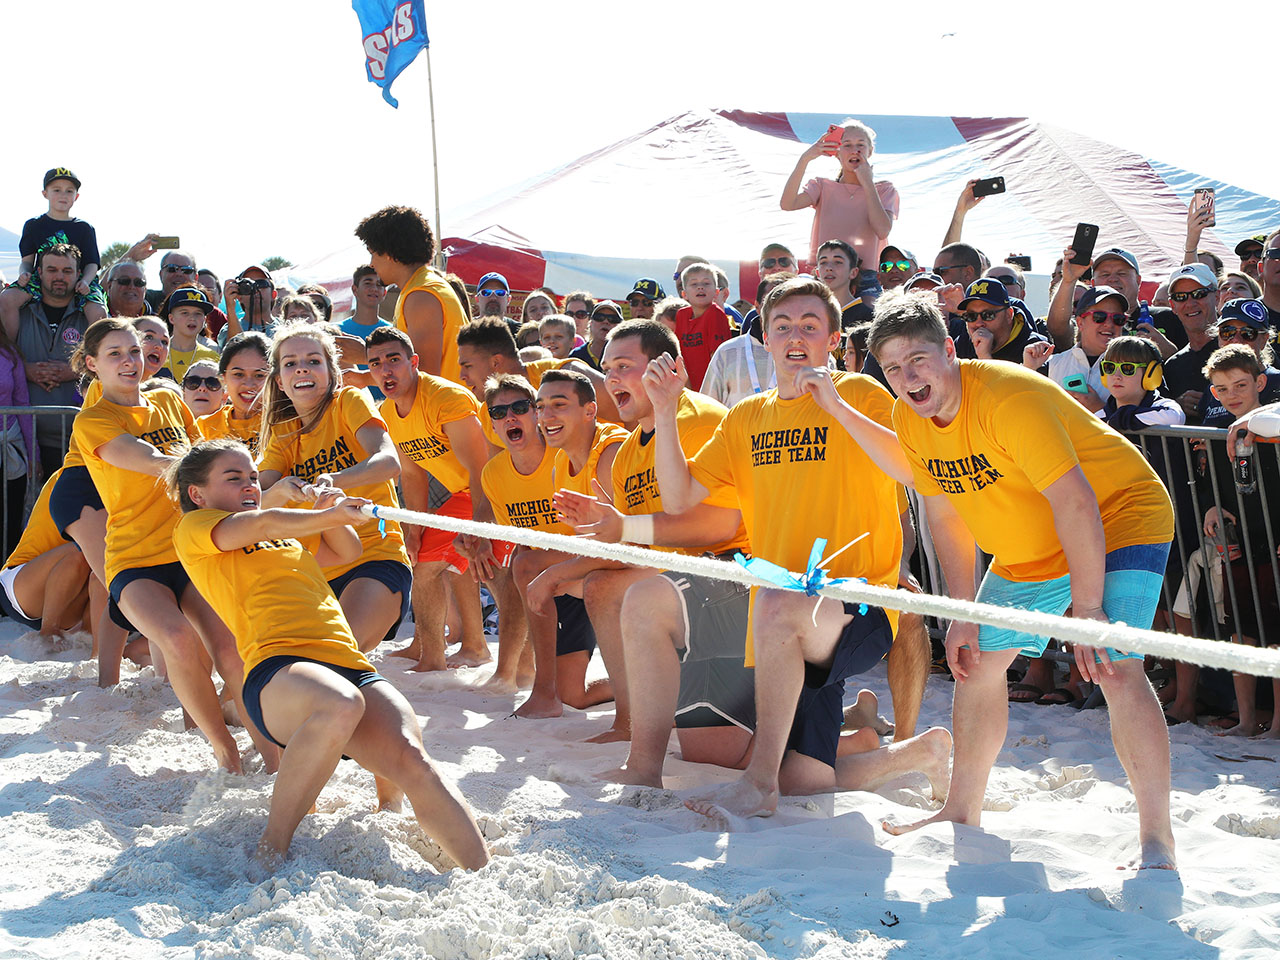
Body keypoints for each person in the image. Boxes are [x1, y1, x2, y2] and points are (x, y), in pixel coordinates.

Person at [854, 293, 1175, 870]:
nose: (908, 377)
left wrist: (1089, 608)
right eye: (894, 368)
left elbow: (1075, 500)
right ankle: (960, 809)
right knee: (973, 659)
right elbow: (947, 514)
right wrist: (962, 615)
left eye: (919, 359)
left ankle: (1158, 841)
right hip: (1031, 546)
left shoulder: (1009, 395)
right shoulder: (909, 416)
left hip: (1118, 513)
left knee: (1116, 665)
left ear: (950, 350)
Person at [641, 277, 907, 820]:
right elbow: (678, 495)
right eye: (782, 325)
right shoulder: (746, 417)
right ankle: (920, 752)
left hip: (858, 604)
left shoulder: (858, 393)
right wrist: (666, 412)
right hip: (782, 619)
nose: (795, 336)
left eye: (811, 326)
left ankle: (757, 784)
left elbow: (909, 466)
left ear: (833, 338)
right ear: (764, 337)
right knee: (808, 783)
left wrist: (833, 405)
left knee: (778, 602)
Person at [169, 439, 488, 872]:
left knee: (413, 758)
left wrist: (331, 503)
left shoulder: (281, 535)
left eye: (250, 477)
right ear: (197, 494)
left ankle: (481, 871)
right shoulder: (198, 527)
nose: (249, 485)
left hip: (347, 663)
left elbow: (347, 551)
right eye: (234, 478)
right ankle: (272, 845)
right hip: (278, 670)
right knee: (341, 703)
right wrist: (326, 514)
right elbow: (262, 524)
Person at [69, 318, 275, 773]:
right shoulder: (93, 420)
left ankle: (273, 755)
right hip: (135, 557)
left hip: (191, 546)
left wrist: (252, 477)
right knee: (179, 640)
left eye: (134, 351)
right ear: (92, 364)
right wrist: (233, 474)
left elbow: (201, 451)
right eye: (115, 354)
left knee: (229, 649)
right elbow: (150, 460)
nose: (129, 362)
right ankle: (226, 752)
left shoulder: (165, 397)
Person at [258, 323, 412, 654]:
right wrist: (283, 489)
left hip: (375, 556)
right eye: (290, 363)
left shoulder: (348, 401)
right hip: (311, 569)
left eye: (314, 361)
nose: (302, 367)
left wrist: (334, 479)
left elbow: (388, 463)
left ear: (332, 373)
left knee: (339, 654)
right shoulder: (282, 432)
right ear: (280, 382)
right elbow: (256, 501)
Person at [365, 326, 494, 672]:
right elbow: (412, 475)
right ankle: (472, 646)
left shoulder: (445, 398)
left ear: (414, 362)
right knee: (442, 559)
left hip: (489, 488)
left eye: (394, 359)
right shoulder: (389, 413)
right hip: (465, 492)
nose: (386, 370)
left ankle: (433, 656)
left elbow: (481, 467)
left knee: (424, 570)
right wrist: (414, 528)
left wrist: (480, 525)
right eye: (376, 363)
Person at [507, 370, 628, 719]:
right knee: (574, 694)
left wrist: (553, 574)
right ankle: (648, 681)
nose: (546, 416)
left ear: (590, 411)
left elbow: (629, 546)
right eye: (541, 407)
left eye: (559, 405)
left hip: (651, 565)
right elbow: (589, 537)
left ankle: (546, 693)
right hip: (604, 560)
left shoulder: (611, 452)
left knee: (532, 567)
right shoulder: (562, 459)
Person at [1196, 346, 1280, 737]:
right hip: (1238, 544)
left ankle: (1278, 722)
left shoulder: (1273, 422)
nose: (1231, 394)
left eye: (1241, 385)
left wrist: (1254, 417)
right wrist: (1212, 506)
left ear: (1260, 382)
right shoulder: (1217, 432)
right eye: (1222, 389)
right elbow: (1213, 484)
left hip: (1274, 541)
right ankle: (1246, 719)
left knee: (1276, 634)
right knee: (1242, 632)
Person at [779, 119, 899, 297]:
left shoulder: (884, 189)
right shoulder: (822, 186)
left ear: (870, 151)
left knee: (866, 320)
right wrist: (805, 159)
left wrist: (866, 182)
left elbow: (882, 230)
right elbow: (787, 204)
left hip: (865, 276)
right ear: (837, 152)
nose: (854, 150)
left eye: (861, 145)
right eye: (847, 145)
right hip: (827, 274)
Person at [355, 205, 467, 383]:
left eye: (373, 254)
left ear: (389, 253)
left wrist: (363, 357)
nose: (372, 264)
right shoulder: (419, 288)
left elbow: (424, 376)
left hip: (447, 410)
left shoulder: (421, 295)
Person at [12, 243, 91, 476]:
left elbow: (109, 366)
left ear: (78, 274)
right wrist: (24, 370)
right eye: (52, 269)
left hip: (75, 444)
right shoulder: (17, 312)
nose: (59, 277)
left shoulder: (90, 315)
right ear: (39, 273)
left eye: (67, 271)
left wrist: (74, 371)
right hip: (23, 442)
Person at [0, 168, 106, 338]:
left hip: (79, 280)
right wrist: (24, 274)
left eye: (69, 191)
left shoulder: (84, 228)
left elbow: (92, 263)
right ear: (45, 193)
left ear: (76, 196)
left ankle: (96, 359)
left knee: (98, 310)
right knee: (6, 298)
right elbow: (27, 261)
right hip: (41, 278)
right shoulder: (33, 225)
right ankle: (10, 352)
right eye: (57, 190)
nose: (63, 195)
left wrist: (85, 282)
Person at [0, 467, 90, 638]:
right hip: (22, 587)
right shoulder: (72, 476)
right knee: (85, 551)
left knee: (106, 567)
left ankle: (90, 643)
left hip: (70, 601)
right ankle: (48, 633)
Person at [1049, 247, 1183, 359]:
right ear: (1093, 284)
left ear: (1138, 280)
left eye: (1122, 273)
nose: (1113, 279)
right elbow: (1058, 329)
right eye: (1105, 274)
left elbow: (1192, 361)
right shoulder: (1087, 320)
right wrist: (1068, 281)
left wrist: (1169, 353)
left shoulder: (1167, 317)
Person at [1045, 286, 1129, 412]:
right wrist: (1028, 368)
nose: (1109, 324)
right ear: (1080, 323)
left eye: (1118, 319)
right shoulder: (1051, 364)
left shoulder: (1136, 366)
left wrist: (1101, 410)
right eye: (1099, 317)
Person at [1162, 264, 1225, 424]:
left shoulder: (1239, 349)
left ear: (1217, 297)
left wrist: (1215, 404)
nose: (1190, 303)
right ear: (1172, 306)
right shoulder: (1172, 366)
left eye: (1199, 294)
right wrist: (1177, 406)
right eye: (1180, 297)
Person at [196, 332, 269, 454]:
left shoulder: (287, 423)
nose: (248, 384)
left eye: (259, 375)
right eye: (238, 374)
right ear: (222, 378)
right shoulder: (204, 427)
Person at [1098, 336, 1185, 431]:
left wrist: (1119, 419)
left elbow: (1175, 417)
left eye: (1127, 368)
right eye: (1110, 367)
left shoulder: (1165, 408)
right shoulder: (1099, 418)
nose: (1116, 376)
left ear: (1151, 374)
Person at [953, 277, 1047, 365]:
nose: (979, 323)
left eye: (988, 315)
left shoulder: (1035, 347)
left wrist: (985, 356)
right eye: (971, 316)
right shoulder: (964, 342)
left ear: (1008, 315)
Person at [672, 265, 731, 391]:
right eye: (694, 284)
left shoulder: (715, 314)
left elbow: (718, 359)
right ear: (684, 294)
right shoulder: (682, 315)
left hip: (711, 390)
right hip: (688, 388)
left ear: (716, 292)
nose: (700, 287)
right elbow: (678, 355)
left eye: (706, 283)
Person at [162, 288, 220, 380]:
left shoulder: (212, 357)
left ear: (204, 320)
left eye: (198, 314)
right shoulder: (158, 352)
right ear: (171, 318)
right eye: (185, 313)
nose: (192, 318)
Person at [220, 265, 279, 347]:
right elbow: (234, 353)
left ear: (273, 294)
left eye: (261, 284)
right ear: (239, 297)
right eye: (248, 286)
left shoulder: (284, 330)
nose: (255, 290)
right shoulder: (228, 329)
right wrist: (230, 308)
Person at [569, 301, 624, 372]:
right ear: (590, 323)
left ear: (621, 326)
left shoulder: (625, 356)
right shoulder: (576, 356)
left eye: (613, 319)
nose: (606, 322)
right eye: (599, 317)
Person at [341, 266, 390, 340]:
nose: (374, 289)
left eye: (379, 285)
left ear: (384, 293)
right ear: (355, 290)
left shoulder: (391, 332)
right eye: (368, 283)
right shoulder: (338, 331)